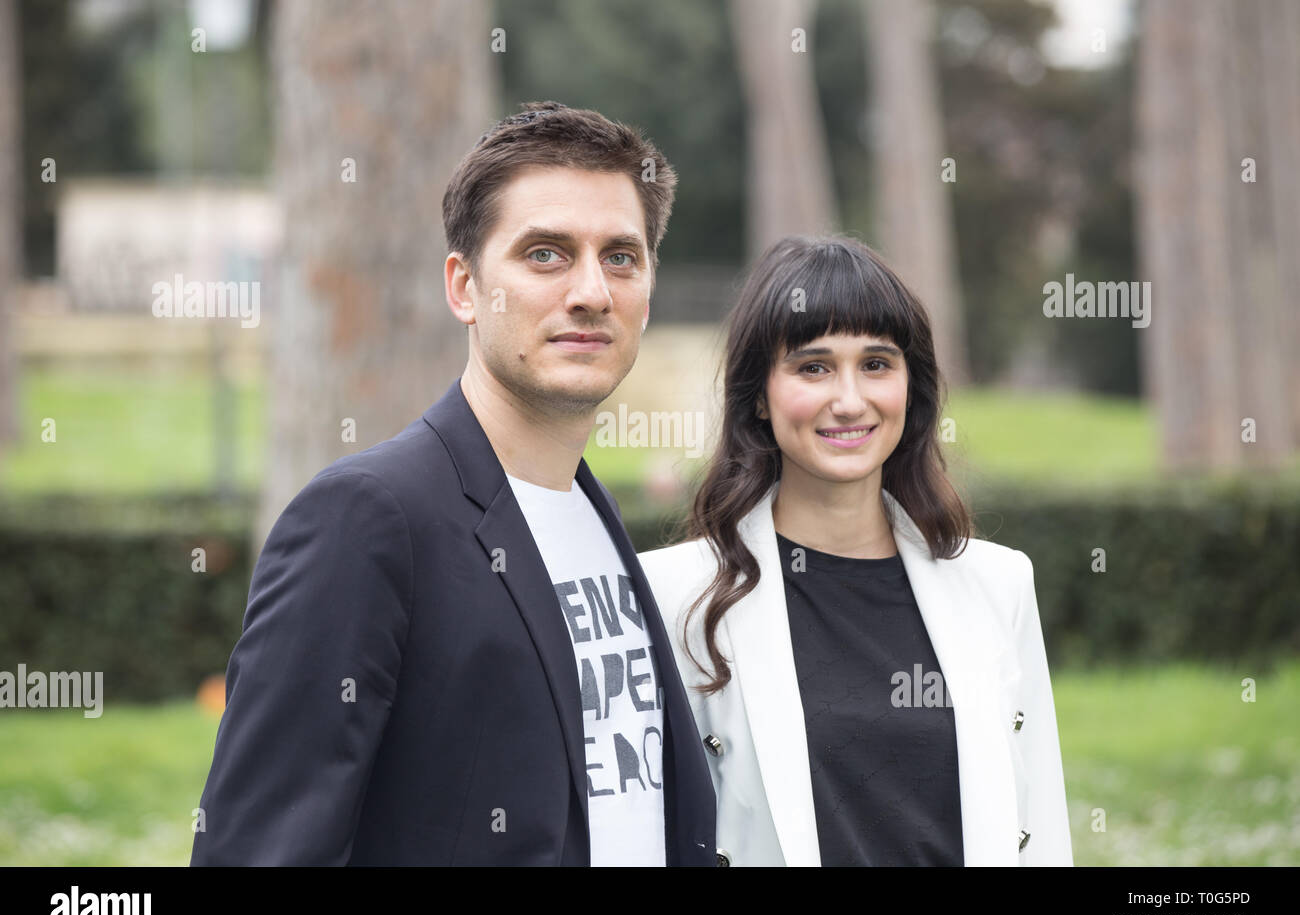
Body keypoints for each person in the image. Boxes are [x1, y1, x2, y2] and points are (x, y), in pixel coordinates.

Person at [191, 102, 716, 866]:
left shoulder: (598, 521)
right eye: (546, 254)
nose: (592, 292)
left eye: (621, 257)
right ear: (464, 287)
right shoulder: (367, 519)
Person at [638, 235, 1072, 866]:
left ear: (909, 387)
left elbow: (1041, 825)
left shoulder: (998, 583)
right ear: (758, 395)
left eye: (876, 364)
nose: (849, 400)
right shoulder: (674, 594)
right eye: (813, 366)